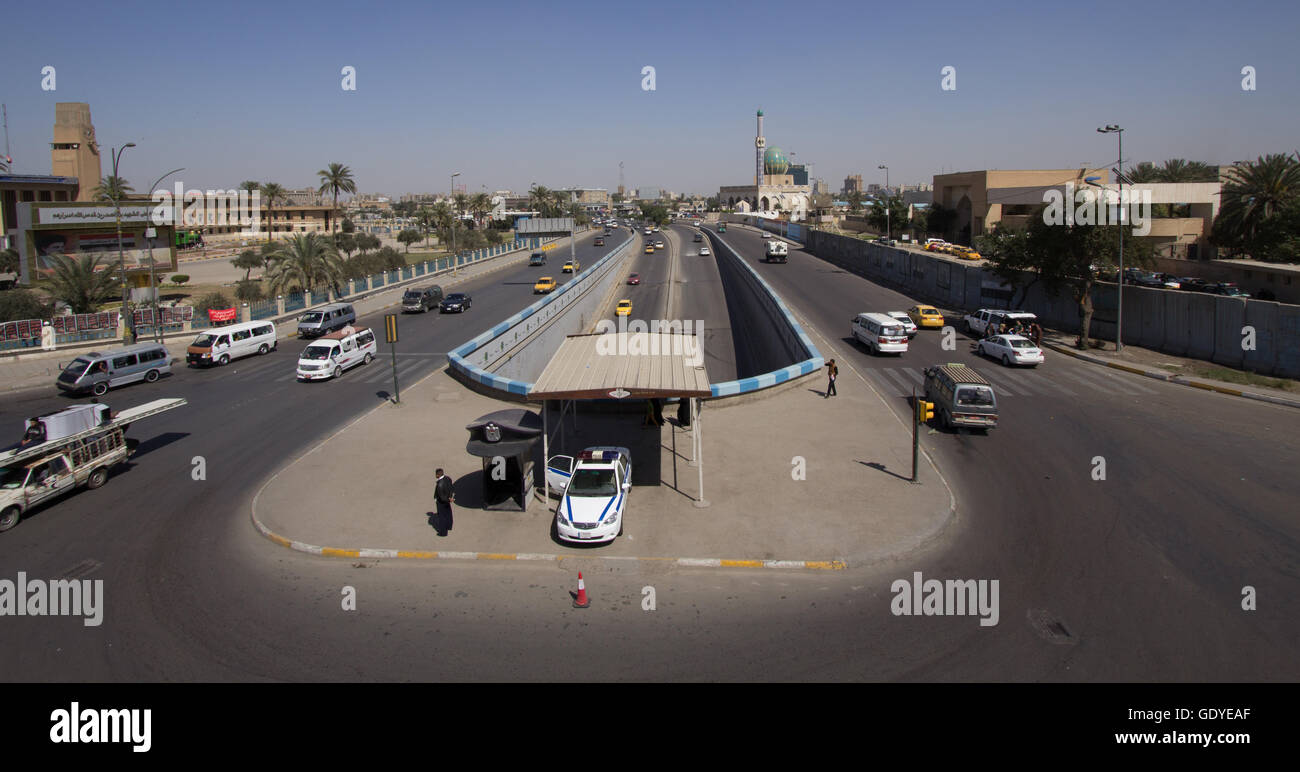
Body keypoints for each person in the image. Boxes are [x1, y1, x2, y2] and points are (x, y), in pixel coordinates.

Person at [433, 468, 455, 537]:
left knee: (442, 517)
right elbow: (451, 488)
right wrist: (450, 497)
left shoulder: (439, 485)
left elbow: (442, 497)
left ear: (437, 475)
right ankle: (449, 526)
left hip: (441, 502)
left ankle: (443, 533)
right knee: (448, 513)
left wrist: (448, 500)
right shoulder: (448, 478)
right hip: (447, 499)